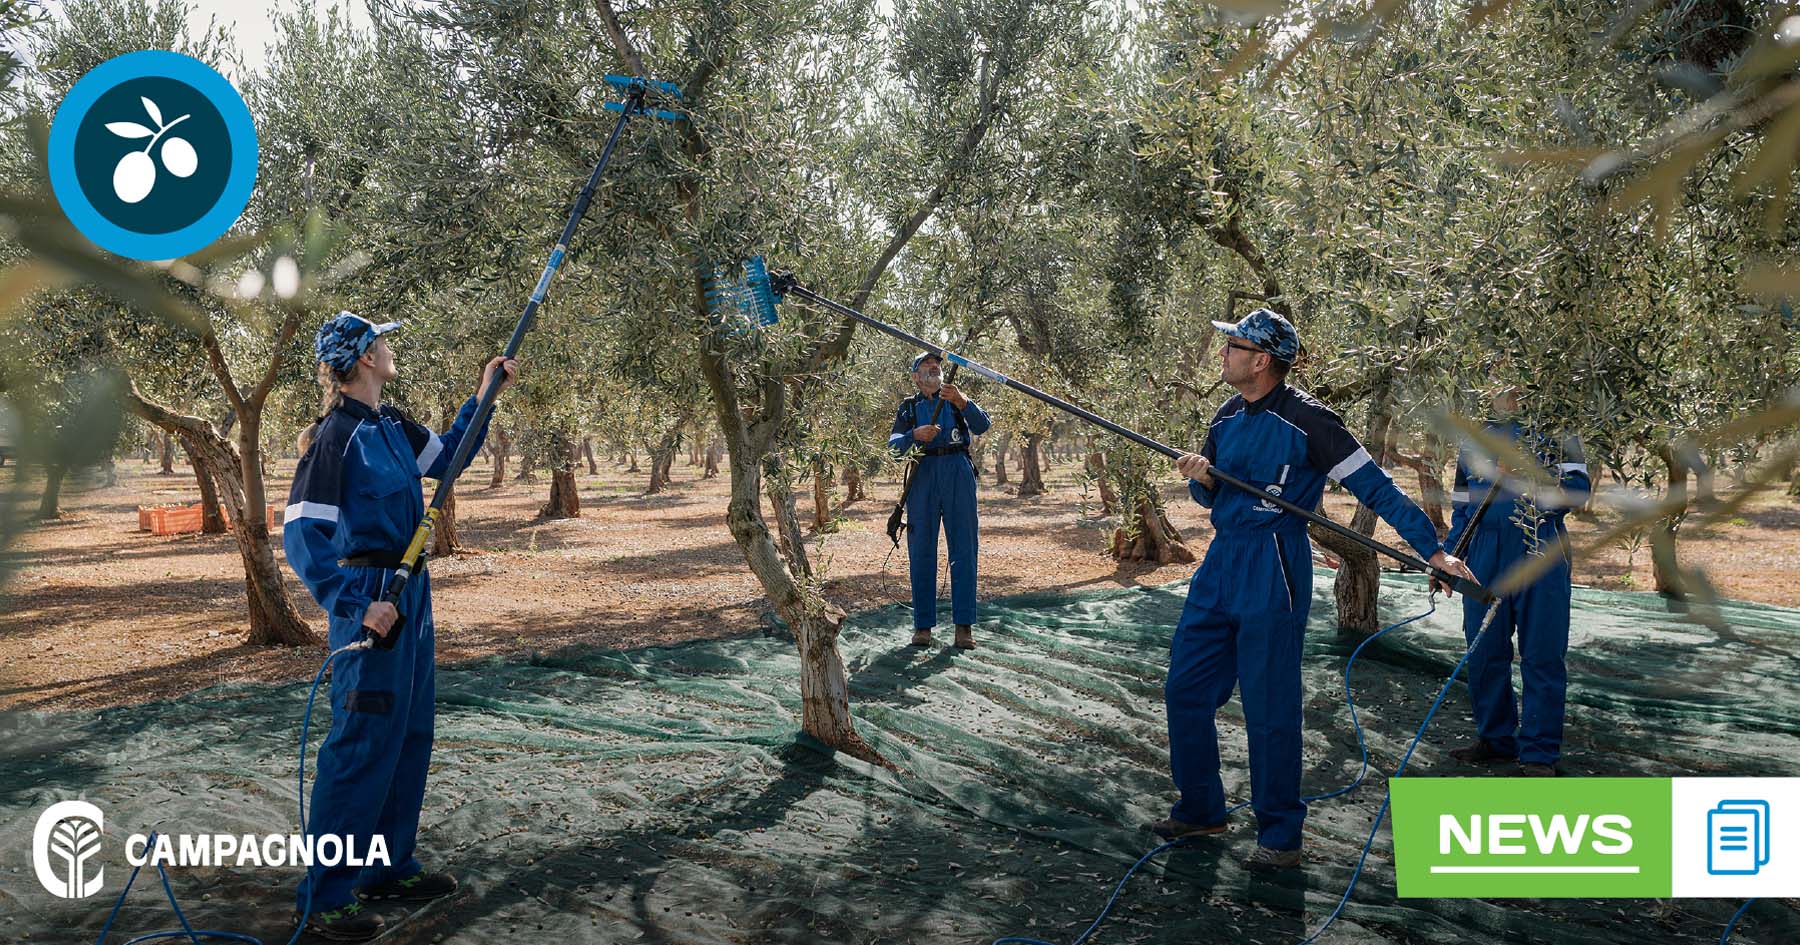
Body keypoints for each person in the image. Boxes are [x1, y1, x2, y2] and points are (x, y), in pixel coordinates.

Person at [1159, 308, 1476, 870]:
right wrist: (1201, 478)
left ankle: (1280, 835)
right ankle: (1201, 808)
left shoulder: (1313, 422)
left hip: (1274, 565)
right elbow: (1211, 497)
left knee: (1269, 704)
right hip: (1220, 563)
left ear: (1262, 360)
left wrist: (1432, 549)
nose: (1223, 352)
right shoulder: (1226, 415)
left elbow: (1377, 488)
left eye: (1234, 346)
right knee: (1185, 690)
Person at [283, 311, 516, 941]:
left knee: (409, 733)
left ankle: (386, 867)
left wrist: (483, 394)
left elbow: (451, 457)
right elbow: (302, 534)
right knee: (362, 741)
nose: (389, 349)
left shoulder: (391, 425)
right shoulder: (335, 438)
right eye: (381, 341)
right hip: (372, 600)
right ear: (364, 357)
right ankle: (325, 896)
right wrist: (355, 604)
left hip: (412, 595)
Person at [1443, 387, 1590, 777]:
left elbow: (1578, 493)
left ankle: (1539, 753)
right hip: (1484, 553)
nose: (1506, 391)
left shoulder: (1557, 430)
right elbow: (1462, 506)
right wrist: (1450, 556)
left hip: (1539, 547)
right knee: (1484, 650)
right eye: (1496, 380)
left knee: (1542, 652)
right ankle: (1495, 740)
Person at [887, 352, 991, 649]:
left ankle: (963, 627)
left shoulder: (955, 398)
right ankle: (923, 627)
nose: (934, 368)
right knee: (921, 549)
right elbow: (893, 447)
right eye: (927, 366)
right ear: (915, 376)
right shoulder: (908, 408)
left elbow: (982, 425)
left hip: (957, 470)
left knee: (964, 548)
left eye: (937, 365)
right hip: (923, 475)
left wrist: (962, 401)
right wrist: (914, 435)